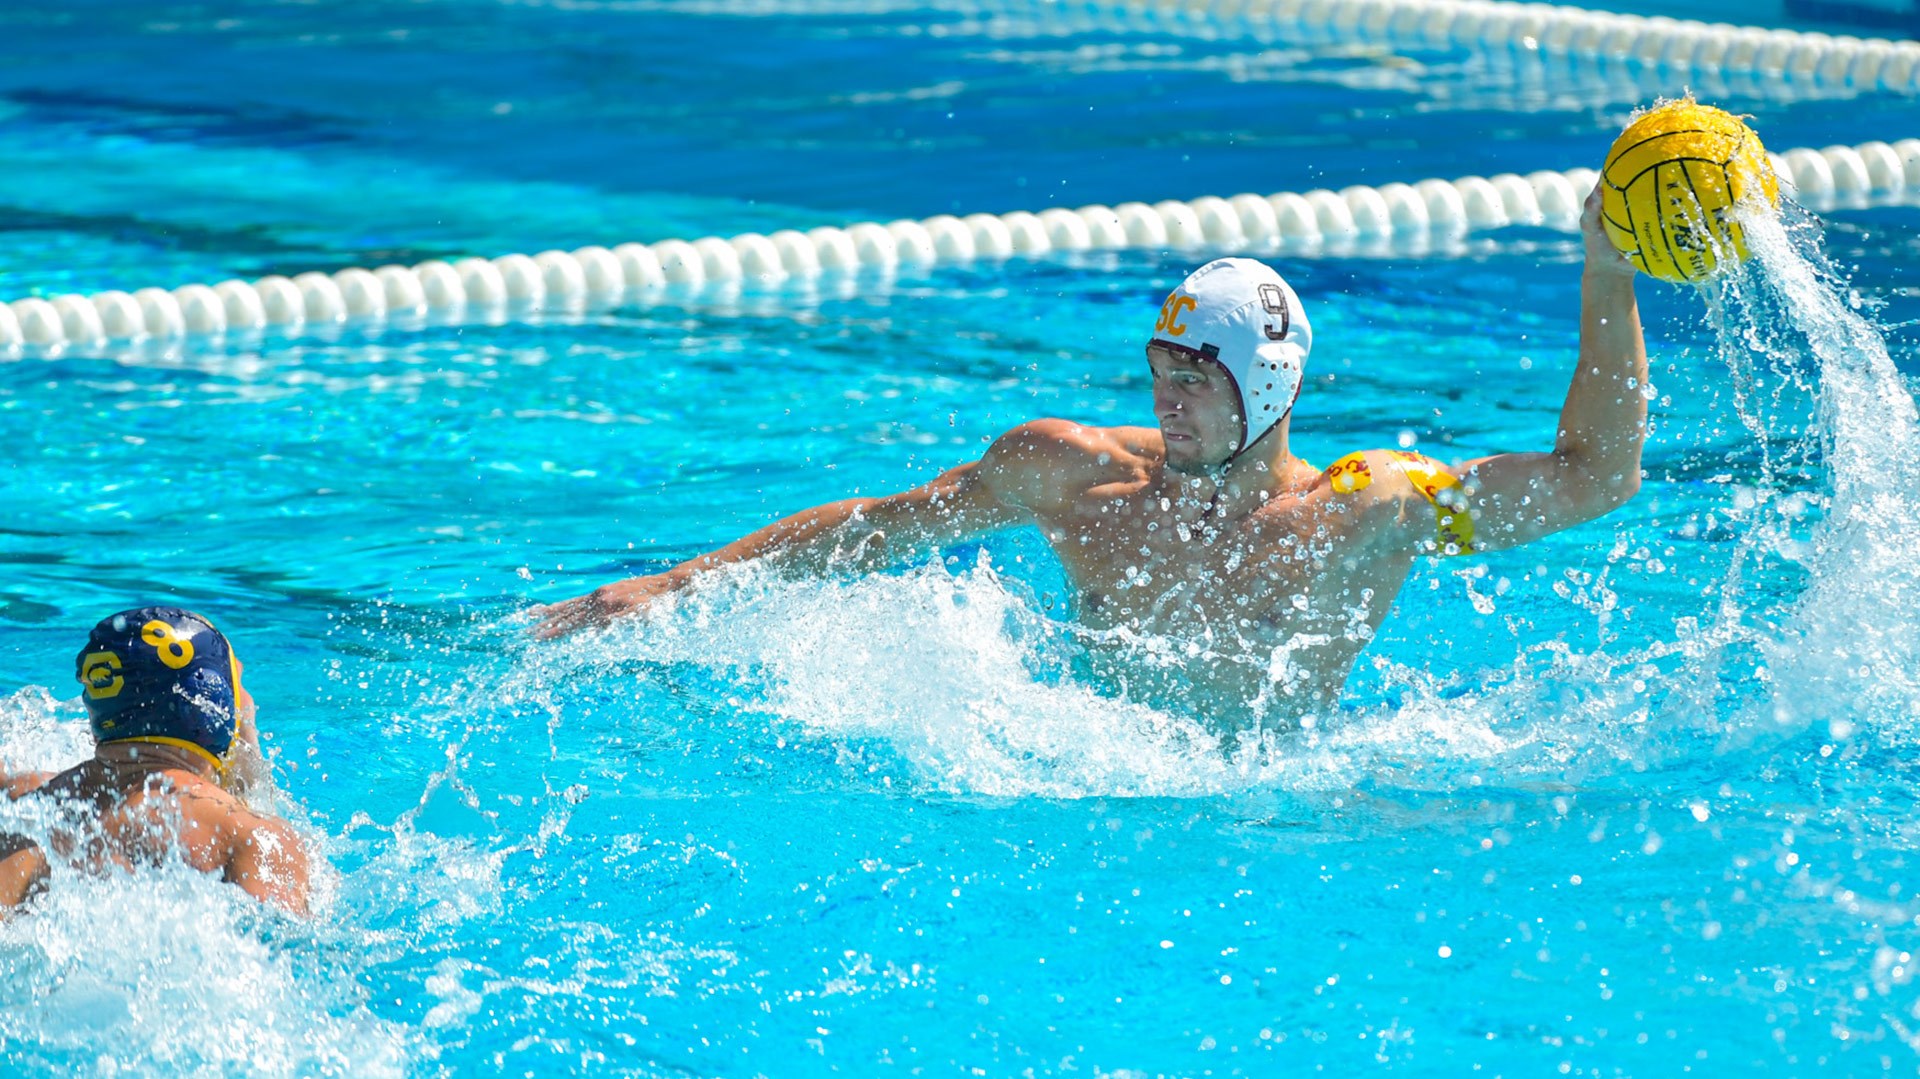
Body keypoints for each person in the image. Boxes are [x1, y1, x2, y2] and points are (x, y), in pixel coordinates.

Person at [535, 185, 1646, 727]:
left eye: (1196, 378)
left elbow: (1595, 476)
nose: (1167, 401)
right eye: (1160, 371)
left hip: (1283, 823)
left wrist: (1606, 276)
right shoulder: (1077, 476)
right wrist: (675, 585)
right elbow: (877, 529)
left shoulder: (1364, 509)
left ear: (1268, 387)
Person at [0, 607, 310, 917]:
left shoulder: (23, 800)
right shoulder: (251, 838)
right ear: (212, 703)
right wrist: (247, 763)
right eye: (239, 685)